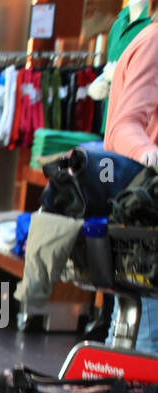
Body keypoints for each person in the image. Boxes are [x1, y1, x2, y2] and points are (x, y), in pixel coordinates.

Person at [104, 17, 158, 354]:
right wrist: (150, 154)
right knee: (143, 351)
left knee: (127, 348)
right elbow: (123, 126)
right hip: (148, 227)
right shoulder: (154, 43)